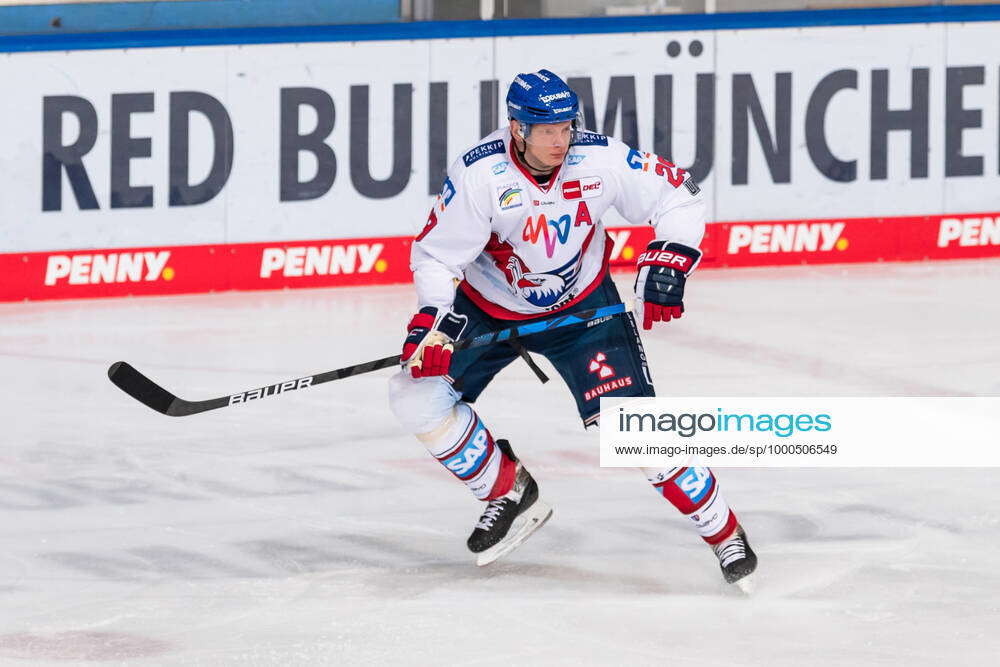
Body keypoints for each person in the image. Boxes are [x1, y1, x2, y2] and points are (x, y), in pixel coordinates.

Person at [388, 69, 756, 587]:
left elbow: (680, 195)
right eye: (546, 130)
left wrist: (672, 256)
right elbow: (436, 255)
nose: (560, 140)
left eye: (566, 127)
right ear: (516, 128)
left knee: (633, 432)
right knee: (413, 395)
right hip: (490, 306)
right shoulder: (481, 175)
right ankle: (506, 489)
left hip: (582, 310)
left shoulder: (599, 158)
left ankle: (724, 533)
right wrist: (433, 322)